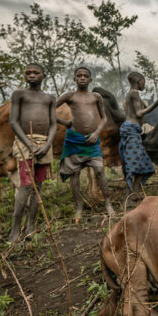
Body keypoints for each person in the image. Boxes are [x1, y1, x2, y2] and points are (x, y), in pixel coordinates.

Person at [56, 67, 114, 219]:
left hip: (92, 142)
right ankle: (79, 208)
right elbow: (49, 109)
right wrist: (64, 122)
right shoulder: (70, 96)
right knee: (74, 175)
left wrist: (96, 133)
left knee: (100, 171)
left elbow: (104, 118)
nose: (82, 78)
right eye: (79, 76)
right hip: (74, 140)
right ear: (75, 79)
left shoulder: (96, 97)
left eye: (85, 76)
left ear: (90, 80)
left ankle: (108, 203)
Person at [8, 63, 57, 243]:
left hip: (44, 143)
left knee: (38, 186)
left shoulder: (50, 98)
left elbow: (53, 125)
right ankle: (15, 229)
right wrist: (28, 143)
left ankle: (31, 226)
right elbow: (13, 122)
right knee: (26, 186)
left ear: (43, 75)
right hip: (24, 142)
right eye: (27, 73)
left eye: (36, 73)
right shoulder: (19, 95)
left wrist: (47, 144)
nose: (31, 75)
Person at [120, 71, 158, 207]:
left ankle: (134, 195)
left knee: (144, 165)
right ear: (139, 80)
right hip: (131, 131)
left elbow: (146, 110)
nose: (144, 84)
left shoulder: (135, 96)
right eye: (144, 81)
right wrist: (157, 102)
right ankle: (128, 199)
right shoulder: (133, 93)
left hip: (134, 131)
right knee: (134, 166)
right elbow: (139, 113)